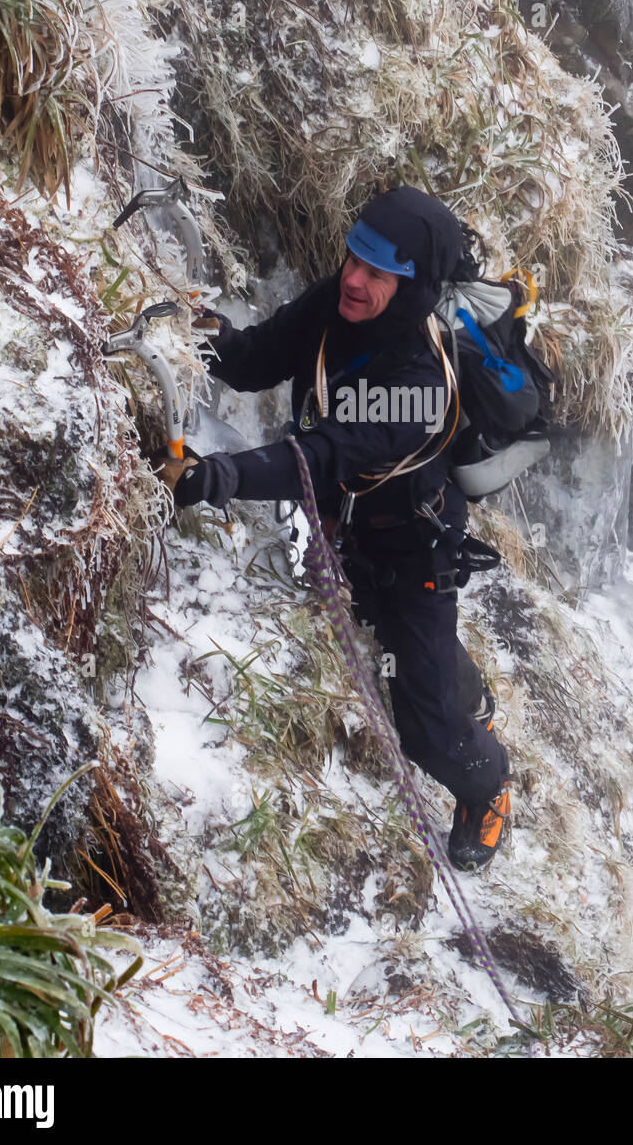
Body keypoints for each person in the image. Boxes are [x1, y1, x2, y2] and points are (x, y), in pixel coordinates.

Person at [154, 186, 512, 871]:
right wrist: (210, 335)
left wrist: (220, 477)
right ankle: (460, 686)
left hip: (413, 552)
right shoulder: (333, 302)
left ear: (412, 287)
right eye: (353, 257)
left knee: (426, 732)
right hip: (353, 531)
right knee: (403, 651)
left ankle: (487, 781)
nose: (352, 278)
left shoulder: (420, 383)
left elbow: (320, 458)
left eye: (376, 273)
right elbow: (260, 358)